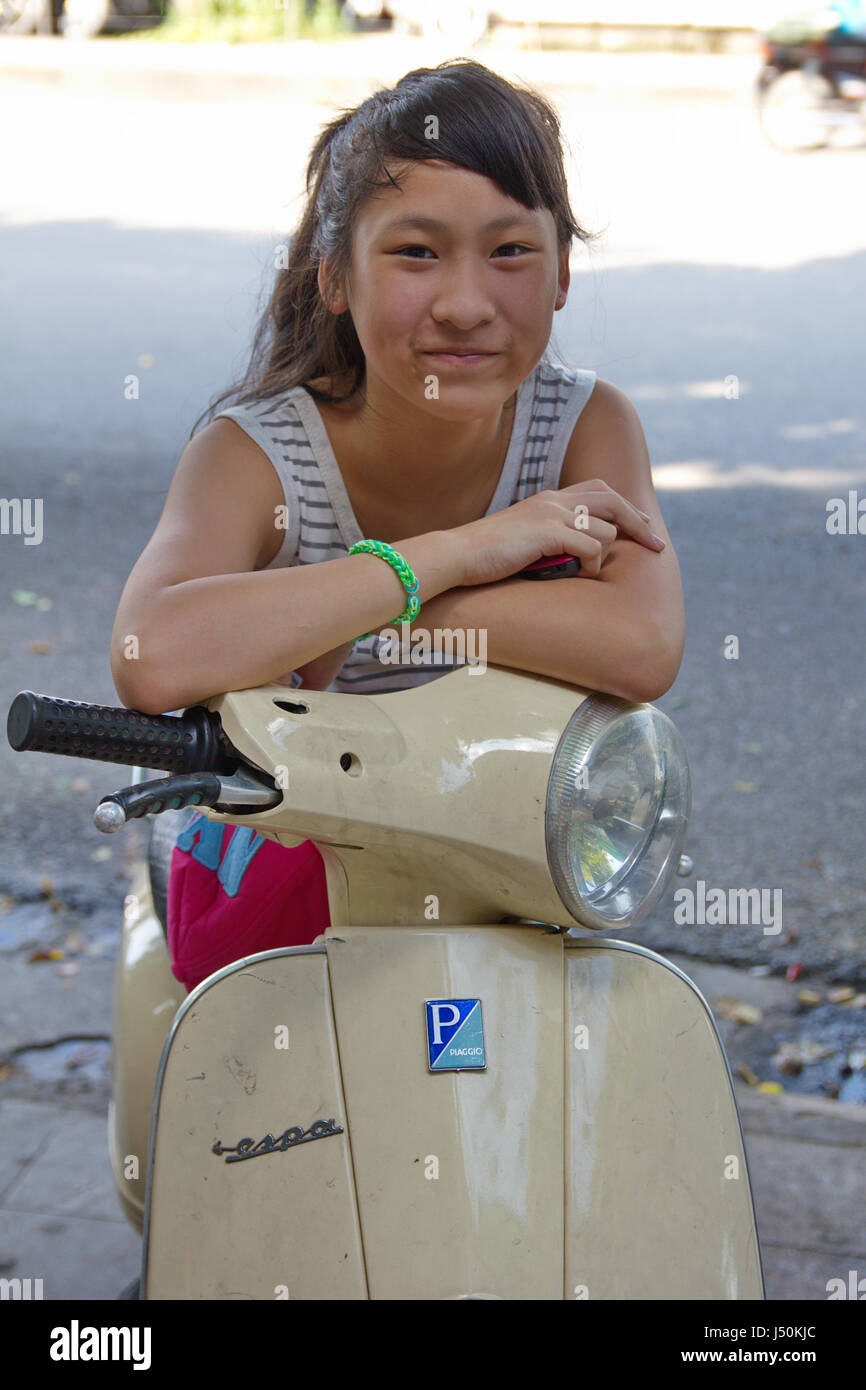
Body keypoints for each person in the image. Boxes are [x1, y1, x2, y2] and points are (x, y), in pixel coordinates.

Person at [109, 58, 685, 992]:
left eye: (510, 253)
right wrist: (457, 553)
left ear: (565, 274)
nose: (465, 304)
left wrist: (377, 612)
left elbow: (643, 645)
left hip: (502, 853)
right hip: (299, 876)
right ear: (335, 276)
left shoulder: (585, 424)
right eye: (416, 253)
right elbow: (152, 654)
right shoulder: (256, 454)